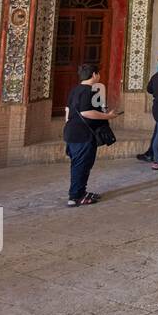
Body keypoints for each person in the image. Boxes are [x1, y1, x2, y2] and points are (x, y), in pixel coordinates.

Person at [62, 63, 120, 207]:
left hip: (72, 131)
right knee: (81, 165)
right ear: (94, 74)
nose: (99, 76)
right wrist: (108, 116)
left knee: (79, 164)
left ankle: (80, 192)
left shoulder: (75, 90)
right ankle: (75, 197)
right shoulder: (90, 91)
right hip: (83, 134)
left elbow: (68, 111)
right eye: (98, 73)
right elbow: (86, 112)